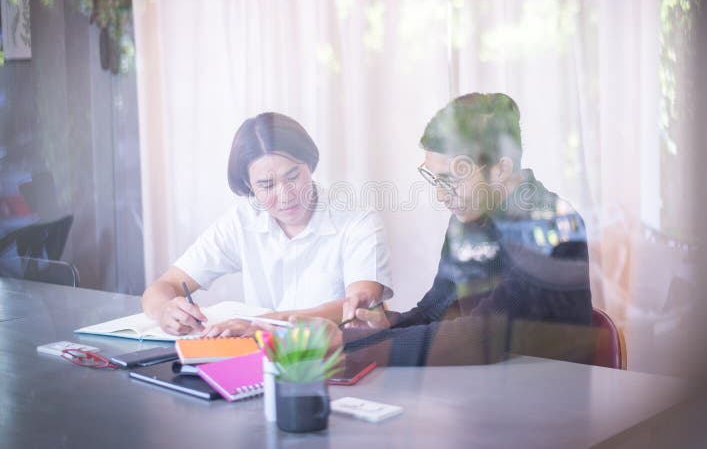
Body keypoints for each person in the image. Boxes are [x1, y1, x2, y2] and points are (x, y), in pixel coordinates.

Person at [278, 93, 594, 366]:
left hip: (550, 401)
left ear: (501, 169)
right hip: (489, 393)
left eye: (451, 180)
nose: (441, 195)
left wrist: (349, 346)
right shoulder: (468, 218)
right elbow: (435, 310)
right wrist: (383, 325)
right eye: (435, 179)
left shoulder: (551, 227)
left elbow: (481, 337)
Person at [141, 112, 392, 336]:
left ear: (310, 165)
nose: (285, 195)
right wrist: (166, 310)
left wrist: (258, 324)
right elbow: (164, 286)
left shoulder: (358, 221)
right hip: (261, 360)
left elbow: (361, 304)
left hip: (336, 360)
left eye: (293, 176)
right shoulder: (241, 222)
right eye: (266, 185)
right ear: (249, 185)